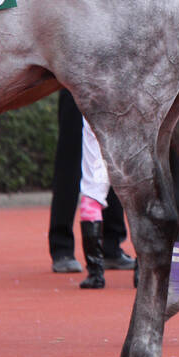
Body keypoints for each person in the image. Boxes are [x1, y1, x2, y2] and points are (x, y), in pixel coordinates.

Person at [48, 88, 133, 273]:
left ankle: (112, 246)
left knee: (114, 157)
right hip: (75, 79)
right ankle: (61, 248)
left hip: (112, 81)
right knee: (71, 158)